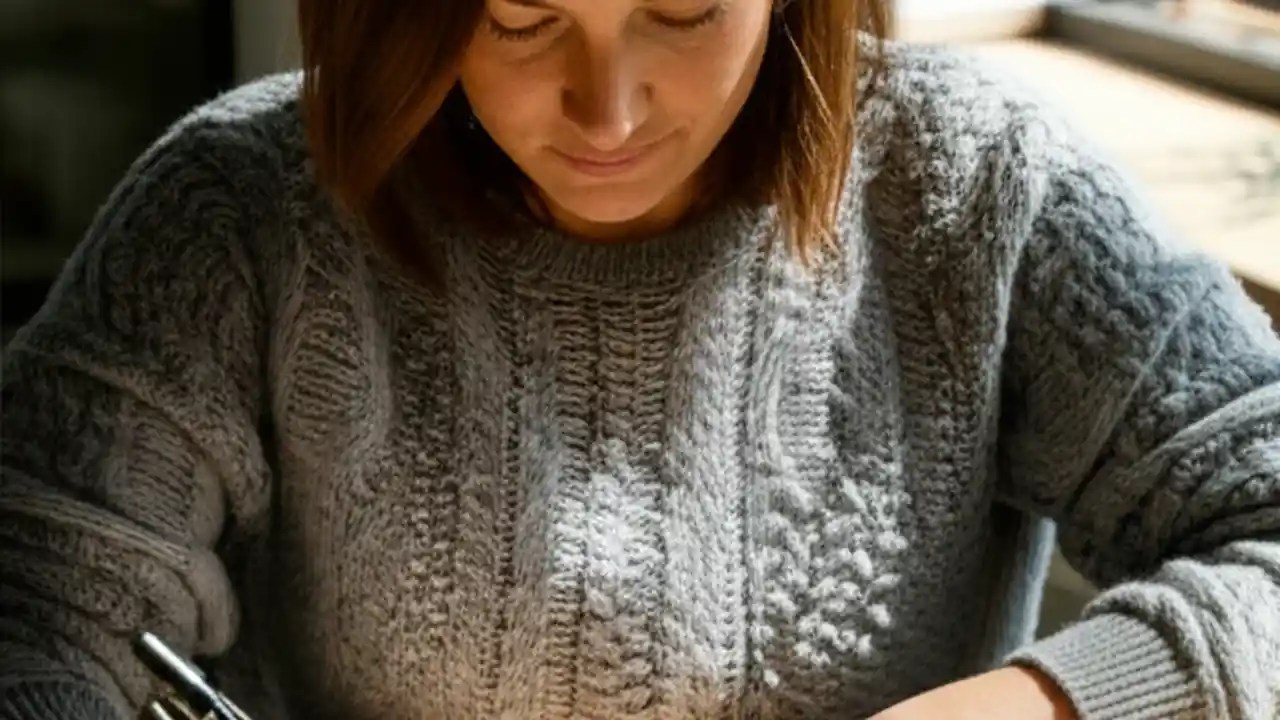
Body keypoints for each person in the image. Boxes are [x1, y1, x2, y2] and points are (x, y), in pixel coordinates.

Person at [1, 0, 1277, 718]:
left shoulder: (978, 187)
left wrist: (1032, 712)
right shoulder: (238, 212)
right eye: (516, 17)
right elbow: (37, 606)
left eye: (681, 8)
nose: (605, 110)